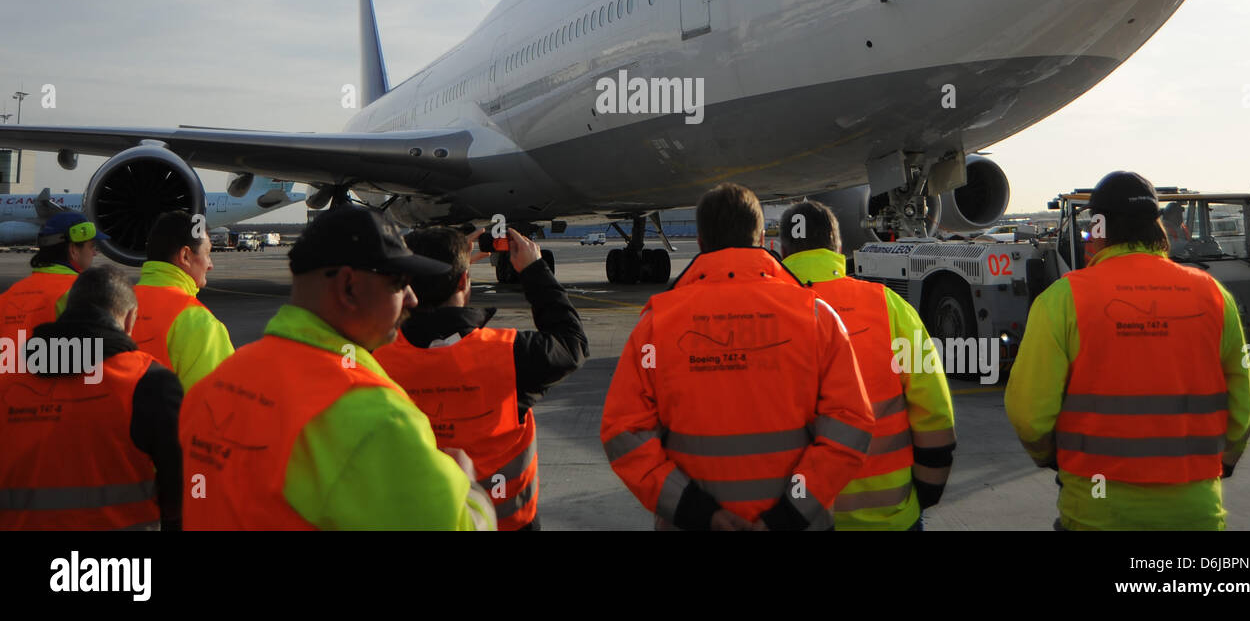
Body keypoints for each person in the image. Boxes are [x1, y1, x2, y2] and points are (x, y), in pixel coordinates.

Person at [180, 205, 495, 530]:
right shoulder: (376, 418)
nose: (412, 299)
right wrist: (469, 488)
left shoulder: (215, 384)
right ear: (348, 287)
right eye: (399, 282)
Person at [601, 182, 875, 531]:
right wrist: (789, 514)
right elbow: (852, 424)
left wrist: (695, 511)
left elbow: (622, 433)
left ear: (700, 241)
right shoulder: (817, 316)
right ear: (761, 238)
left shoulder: (657, 323)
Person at [1005, 171, 1250, 531]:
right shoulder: (1213, 295)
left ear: (1097, 228)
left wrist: (1053, 459)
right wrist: (1224, 462)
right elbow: (1244, 405)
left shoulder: (1063, 298)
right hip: (1196, 511)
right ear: (1157, 227)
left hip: (1096, 511)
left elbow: (1028, 413)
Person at [374, 225, 588, 530]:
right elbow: (572, 343)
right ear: (464, 280)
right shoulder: (510, 353)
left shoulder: (374, 358)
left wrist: (432, 275)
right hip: (504, 523)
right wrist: (534, 270)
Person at [779, 199, 956, 531]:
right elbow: (935, 410)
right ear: (838, 245)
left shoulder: (766, 313)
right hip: (890, 516)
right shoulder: (889, 306)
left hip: (795, 516)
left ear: (781, 248)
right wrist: (929, 490)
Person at [0, 267, 183, 530]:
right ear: (131, 319)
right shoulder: (149, 383)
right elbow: (181, 482)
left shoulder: (8, 381)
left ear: (66, 313)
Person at [132, 210, 234, 391]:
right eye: (207, 253)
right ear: (185, 256)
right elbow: (214, 407)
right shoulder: (199, 323)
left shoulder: (109, 306)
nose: (210, 265)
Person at [0, 211, 103, 346]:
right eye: (92, 246)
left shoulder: (7, 296)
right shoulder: (83, 293)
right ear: (73, 250)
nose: (94, 253)